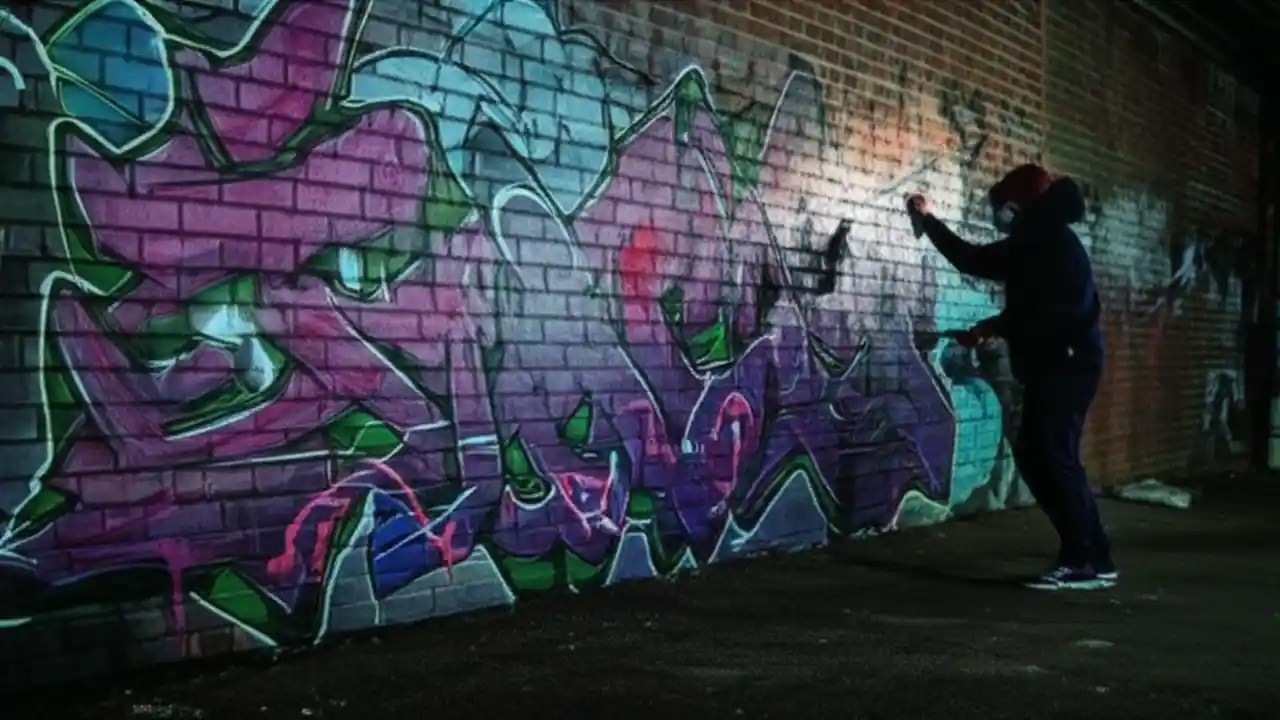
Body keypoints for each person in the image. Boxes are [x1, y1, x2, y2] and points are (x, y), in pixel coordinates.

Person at [905, 163, 1116, 591]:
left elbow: (973, 260)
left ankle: (1083, 560)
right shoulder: (1047, 237)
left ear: (1018, 205)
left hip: (1065, 365)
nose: (998, 215)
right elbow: (1038, 304)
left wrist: (926, 220)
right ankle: (1093, 556)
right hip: (1063, 362)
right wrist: (993, 327)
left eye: (1002, 207)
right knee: (1043, 457)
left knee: (1052, 457)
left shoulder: (1043, 239)